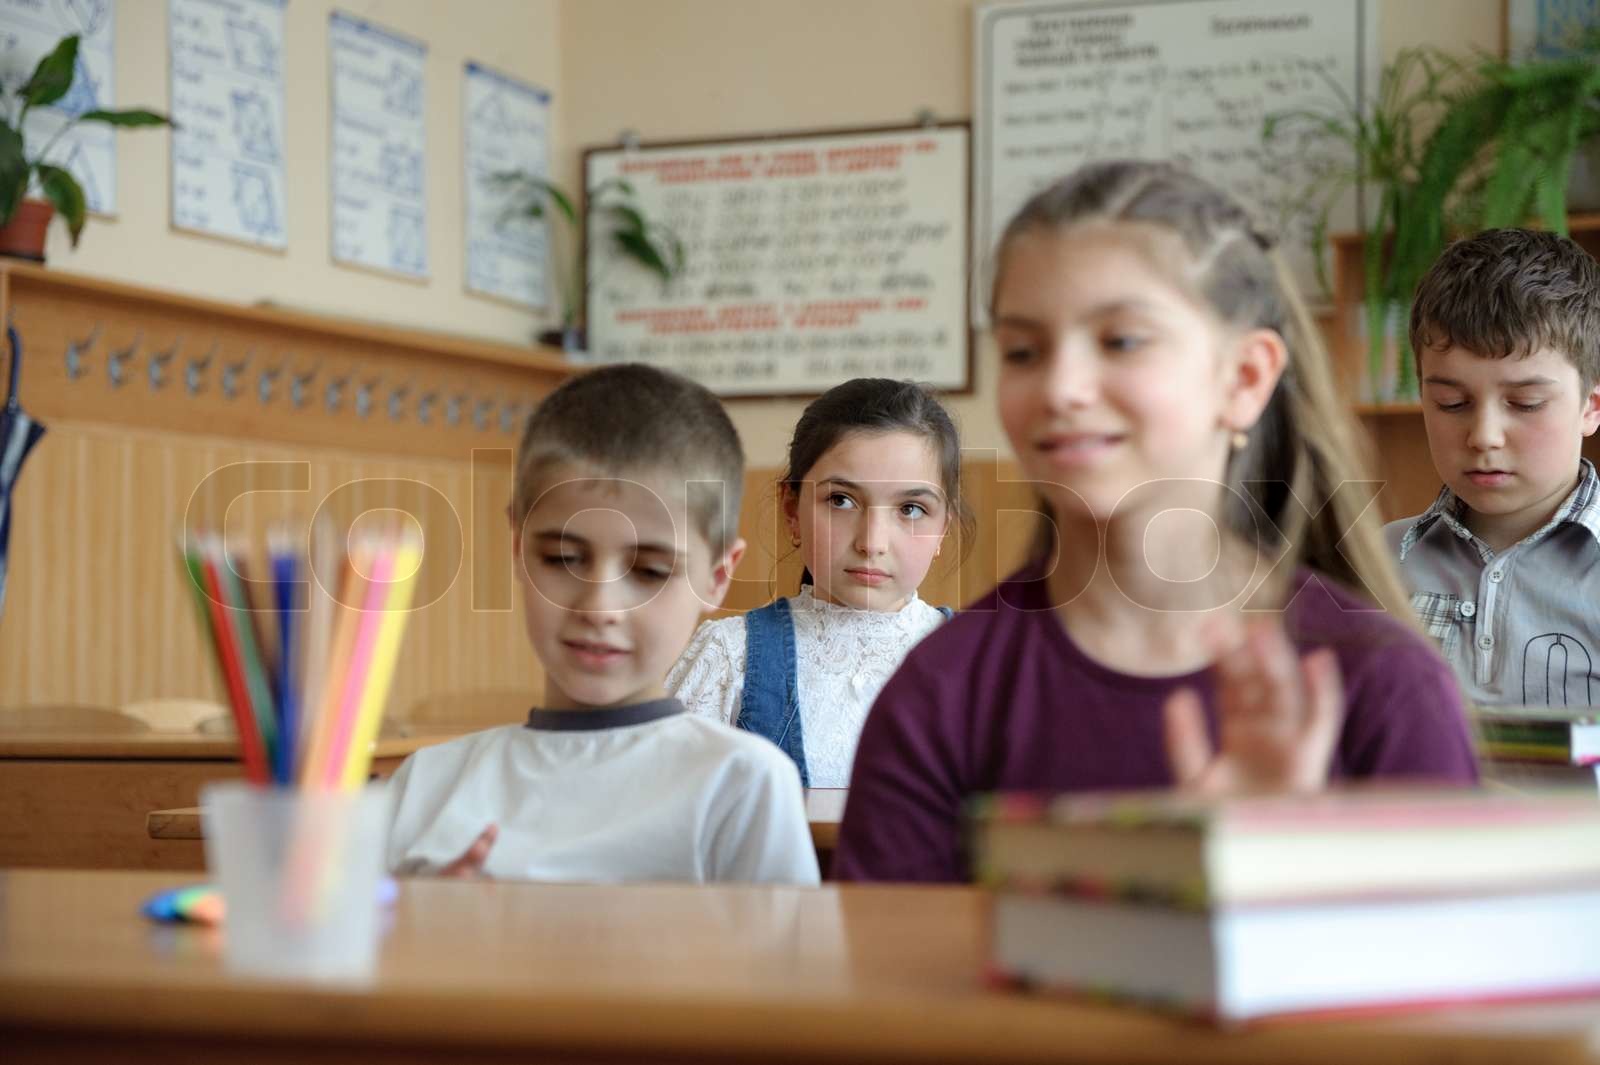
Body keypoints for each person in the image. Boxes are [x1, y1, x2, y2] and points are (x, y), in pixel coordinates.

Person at [834, 160, 1479, 883]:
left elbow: (1452, 982)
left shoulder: (1382, 683)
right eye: (1024, 350)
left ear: (1243, 379)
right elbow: (891, 986)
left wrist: (1274, 874)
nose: (1060, 387)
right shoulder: (942, 693)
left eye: (1121, 341)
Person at [386, 364, 819, 884]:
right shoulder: (424, 787)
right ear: (519, 548)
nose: (599, 605)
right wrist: (418, 929)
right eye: (563, 558)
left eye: (650, 571)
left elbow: (781, 965)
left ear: (718, 576)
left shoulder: (741, 783)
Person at [669, 378, 969, 788]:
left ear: (942, 530)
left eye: (912, 509)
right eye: (841, 500)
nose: (872, 542)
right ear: (792, 511)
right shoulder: (728, 657)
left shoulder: (984, 668)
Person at [1384, 228, 1600, 706]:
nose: (1483, 436)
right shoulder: (1373, 563)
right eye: (1451, 403)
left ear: (1590, 406)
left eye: (1525, 403)